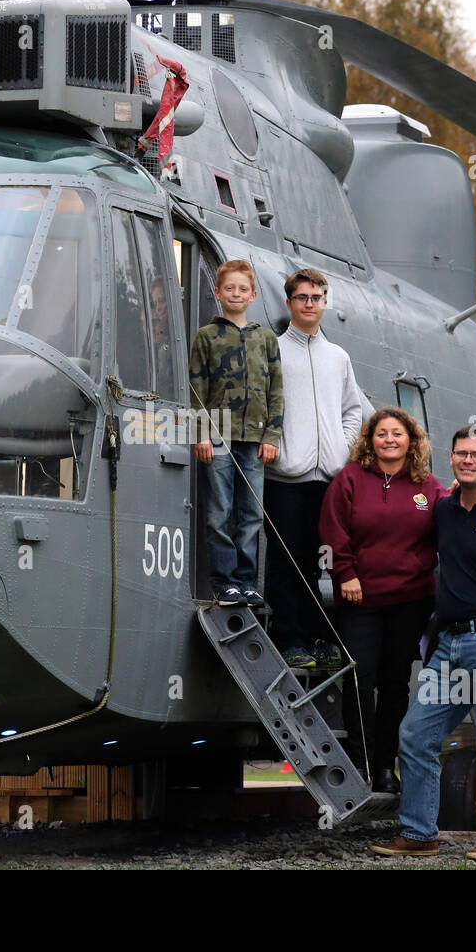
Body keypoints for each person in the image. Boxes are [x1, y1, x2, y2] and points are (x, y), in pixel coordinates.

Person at [371, 424, 476, 862]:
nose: (468, 460)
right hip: (448, 646)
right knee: (414, 734)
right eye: (461, 453)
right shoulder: (445, 510)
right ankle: (419, 833)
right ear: (451, 459)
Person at [319, 407, 449, 792]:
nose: (389, 439)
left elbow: (452, 525)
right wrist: (345, 573)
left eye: (397, 433)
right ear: (370, 440)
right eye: (381, 433)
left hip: (411, 600)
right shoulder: (350, 480)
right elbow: (331, 530)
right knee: (359, 679)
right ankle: (359, 765)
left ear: (411, 440)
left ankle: (384, 769)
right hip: (360, 598)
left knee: (395, 685)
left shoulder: (429, 487)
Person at [264, 268, 364, 668]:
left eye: (316, 297)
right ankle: (289, 639)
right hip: (285, 477)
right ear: (290, 303)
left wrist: (340, 449)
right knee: (286, 559)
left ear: (325, 303)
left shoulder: (338, 357)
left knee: (321, 560)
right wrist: (279, 447)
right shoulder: (271, 351)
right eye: (302, 297)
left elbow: (352, 410)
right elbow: (264, 408)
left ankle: (320, 638)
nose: (309, 304)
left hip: (329, 480)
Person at [189, 259, 283, 606]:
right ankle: (223, 581)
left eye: (243, 288)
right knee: (219, 511)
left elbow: (276, 392)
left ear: (253, 294)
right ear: (218, 293)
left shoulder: (266, 339)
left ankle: (247, 582)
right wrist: (201, 433)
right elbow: (197, 386)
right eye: (230, 288)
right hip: (218, 434)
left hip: (256, 439)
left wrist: (272, 437)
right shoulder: (206, 336)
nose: (236, 294)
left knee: (251, 514)